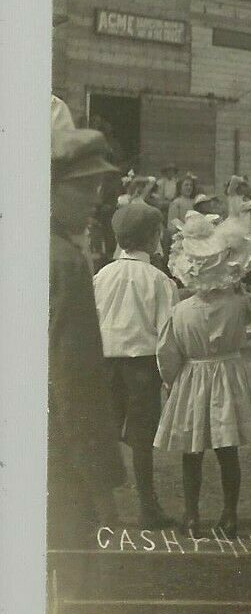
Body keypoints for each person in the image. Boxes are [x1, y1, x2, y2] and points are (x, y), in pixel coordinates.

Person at [155, 213, 251, 537]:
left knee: (192, 452)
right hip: (228, 376)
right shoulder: (238, 305)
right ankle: (230, 514)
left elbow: (167, 353)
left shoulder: (180, 310)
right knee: (227, 450)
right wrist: (237, 283)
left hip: (192, 378)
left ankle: (192, 516)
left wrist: (171, 380)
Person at [49, 120, 126, 554]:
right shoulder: (64, 263)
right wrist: (100, 480)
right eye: (84, 187)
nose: (96, 200)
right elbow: (75, 376)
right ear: (52, 188)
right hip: (61, 454)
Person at [93, 200, 178, 527]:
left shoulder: (102, 275)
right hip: (142, 367)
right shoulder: (159, 281)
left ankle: (103, 509)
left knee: (106, 433)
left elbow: (93, 321)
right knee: (142, 440)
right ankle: (147, 507)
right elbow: (167, 337)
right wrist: (170, 380)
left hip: (105, 365)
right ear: (153, 236)